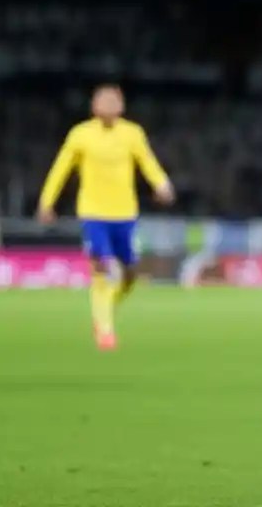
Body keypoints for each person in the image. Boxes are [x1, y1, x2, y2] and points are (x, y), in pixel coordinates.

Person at [37, 84, 175, 350]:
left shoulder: (132, 133)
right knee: (100, 266)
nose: (109, 105)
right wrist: (46, 202)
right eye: (104, 100)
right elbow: (60, 169)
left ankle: (105, 309)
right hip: (93, 212)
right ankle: (105, 330)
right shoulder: (80, 135)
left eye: (114, 101)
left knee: (130, 274)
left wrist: (162, 184)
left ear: (121, 106)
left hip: (124, 212)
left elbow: (147, 161)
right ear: (94, 105)